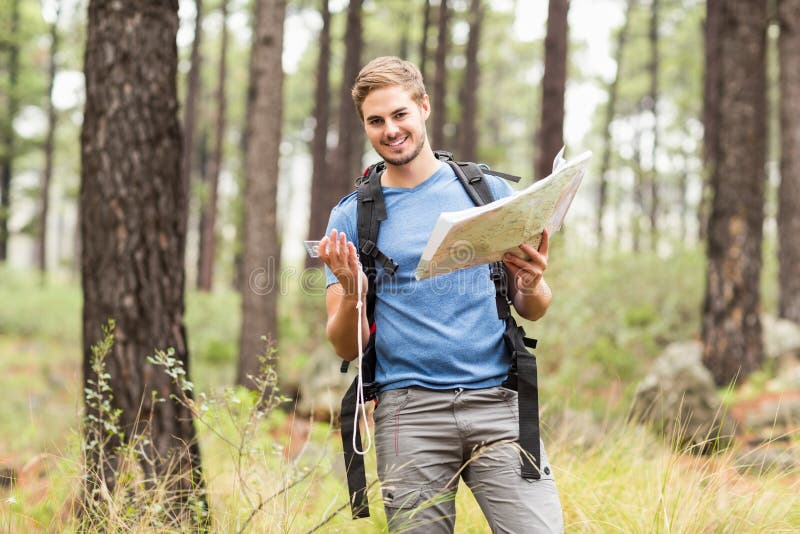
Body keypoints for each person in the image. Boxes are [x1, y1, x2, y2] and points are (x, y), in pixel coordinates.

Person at [318, 56, 563, 533]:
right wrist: (352, 292)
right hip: (408, 417)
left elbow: (533, 308)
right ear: (365, 126)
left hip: (499, 405)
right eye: (376, 121)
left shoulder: (487, 192)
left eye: (400, 114)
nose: (390, 130)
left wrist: (531, 282)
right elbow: (345, 347)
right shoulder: (351, 217)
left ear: (424, 108)